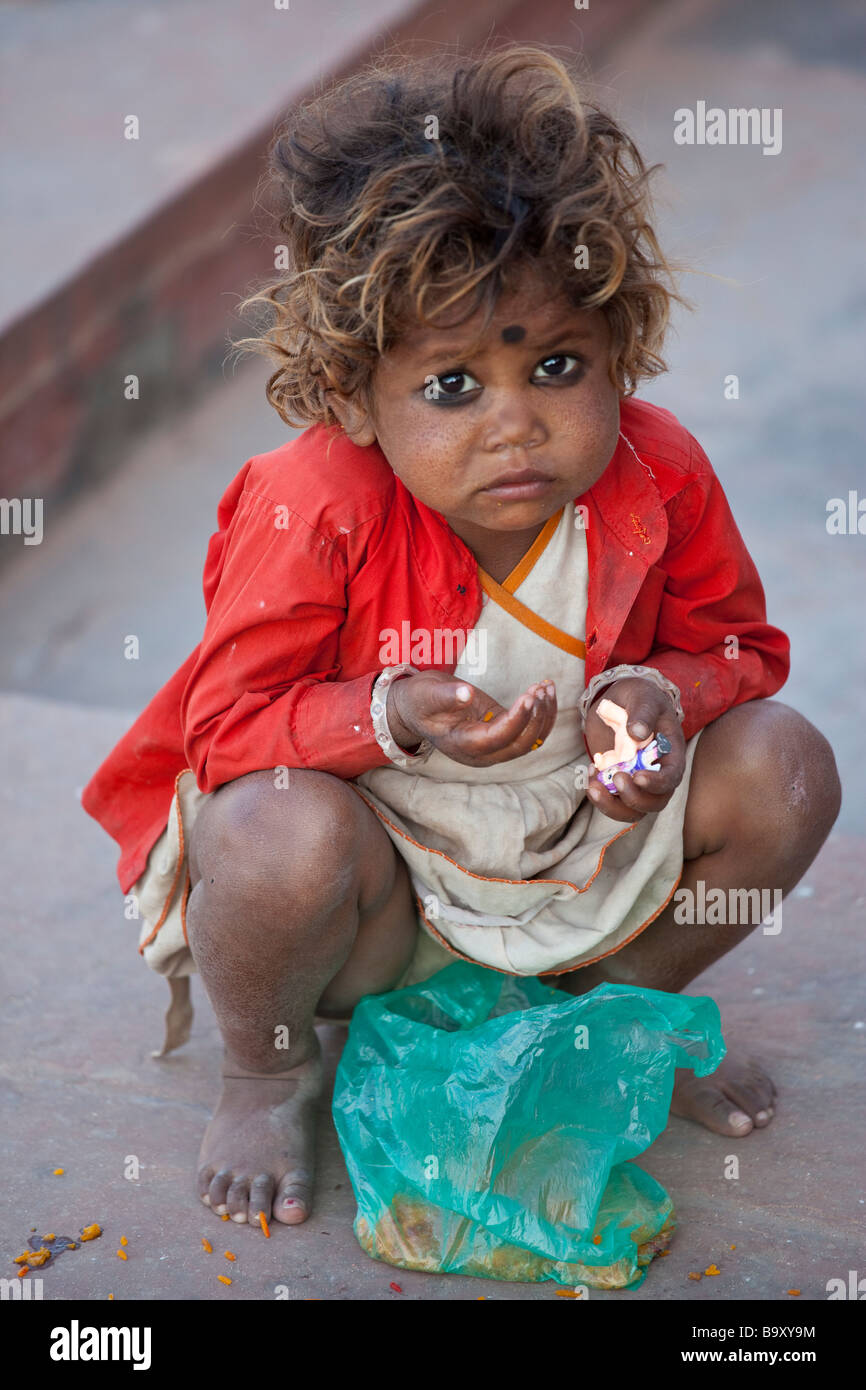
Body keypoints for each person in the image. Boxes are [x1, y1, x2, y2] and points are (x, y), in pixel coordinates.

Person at [82, 44, 841, 1231]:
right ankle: (270, 1070)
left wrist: (657, 698)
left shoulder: (658, 470)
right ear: (349, 393)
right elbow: (223, 731)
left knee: (786, 762)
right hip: (382, 891)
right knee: (270, 825)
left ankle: (610, 1028)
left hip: (578, 845)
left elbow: (743, 652)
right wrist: (385, 713)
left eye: (555, 365)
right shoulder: (313, 502)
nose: (517, 426)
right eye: (450, 386)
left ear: (617, 343)